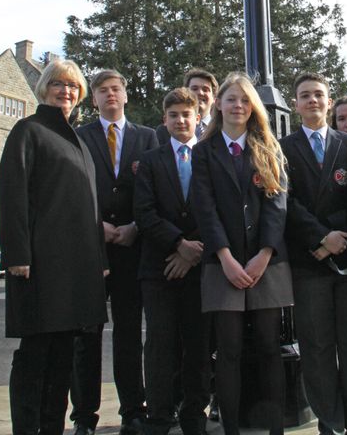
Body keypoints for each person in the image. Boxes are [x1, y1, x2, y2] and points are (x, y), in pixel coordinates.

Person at [0, 59, 108, 435]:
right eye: (59, 84)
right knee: (35, 356)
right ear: (44, 87)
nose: (66, 91)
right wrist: (17, 255)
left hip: (77, 270)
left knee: (63, 357)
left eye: (74, 86)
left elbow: (91, 207)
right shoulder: (28, 130)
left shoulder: (78, 142)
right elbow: (12, 194)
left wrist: (100, 259)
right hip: (41, 266)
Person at [191, 72, 293, 435]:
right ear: (218, 104)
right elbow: (204, 208)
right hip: (223, 264)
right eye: (231, 99)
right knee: (229, 349)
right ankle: (231, 428)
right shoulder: (203, 152)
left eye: (245, 100)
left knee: (269, 346)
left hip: (267, 263)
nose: (238, 105)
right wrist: (226, 258)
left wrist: (264, 253)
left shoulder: (269, 147)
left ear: (254, 107)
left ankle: (275, 428)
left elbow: (277, 205)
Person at [280, 72, 347, 435]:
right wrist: (320, 239)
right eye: (305, 95)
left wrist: (339, 240)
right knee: (317, 351)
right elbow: (285, 202)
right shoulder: (283, 148)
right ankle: (331, 425)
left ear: (329, 101)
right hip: (309, 262)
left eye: (318, 94)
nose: (312, 101)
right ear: (295, 104)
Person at [71, 70, 158, 435]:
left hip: (132, 249)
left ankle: (133, 411)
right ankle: (84, 417)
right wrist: (97, 228)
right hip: (92, 251)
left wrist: (136, 227)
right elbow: (73, 191)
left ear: (125, 95)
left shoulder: (148, 137)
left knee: (128, 334)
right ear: (93, 99)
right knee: (86, 336)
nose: (109, 94)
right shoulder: (78, 137)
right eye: (102, 90)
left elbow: (157, 188)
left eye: (115, 89)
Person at [135, 88, 211, 435]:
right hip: (159, 267)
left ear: (198, 117)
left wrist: (194, 251)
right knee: (159, 345)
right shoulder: (150, 161)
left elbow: (218, 210)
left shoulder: (211, 157)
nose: (181, 121)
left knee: (197, 344)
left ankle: (194, 414)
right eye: (174, 115)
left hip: (201, 268)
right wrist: (179, 244)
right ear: (164, 120)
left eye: (186, 114)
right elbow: (144, 212)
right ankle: (159, 415)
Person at [156, 68, 218, 145]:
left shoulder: (222, 129)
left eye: (205, 89)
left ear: (214, 98)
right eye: (194, 88)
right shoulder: (164, 131)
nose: (200, 93)